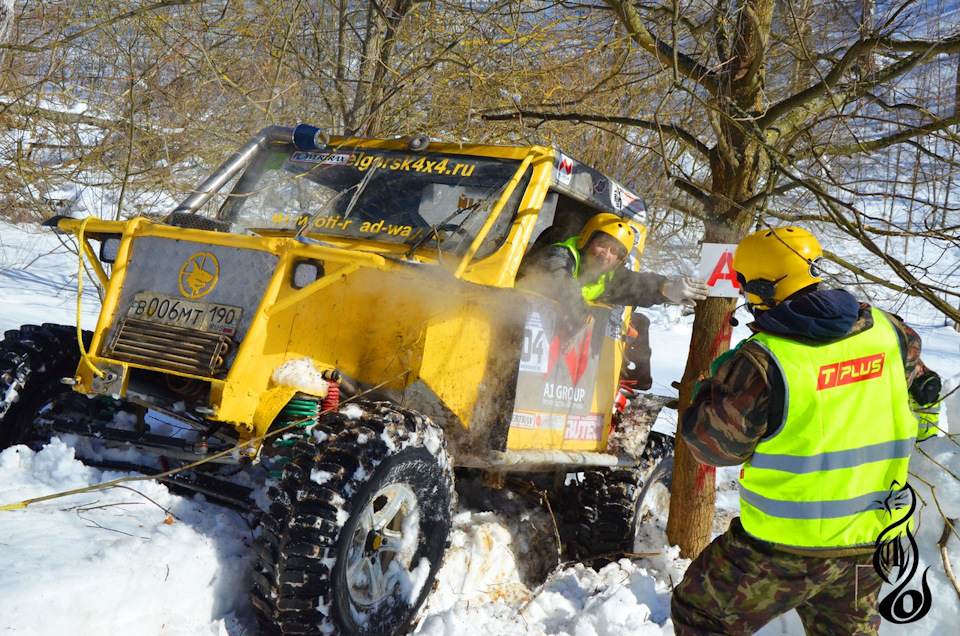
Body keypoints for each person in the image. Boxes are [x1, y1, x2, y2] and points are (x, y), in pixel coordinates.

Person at [671, 226, 942, 635]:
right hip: (871, 544)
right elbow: (925, 387)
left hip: (780, 551)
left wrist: (709, 391)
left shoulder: (763, 362)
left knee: (700, 613)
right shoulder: (891, 333)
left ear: (760, 288)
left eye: (746, 288)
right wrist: (922, 440)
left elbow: (714, 451)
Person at [518, 212, 709, 389]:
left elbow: (637, 284)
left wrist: (666, 288)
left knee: (639, 322)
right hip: (513, 326)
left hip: (547, 354)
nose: (606, 254)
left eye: (614, 251)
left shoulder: (607, 276)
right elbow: (562, 281)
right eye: (602, 243)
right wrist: (583, 320)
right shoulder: (561, 254)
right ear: (586, 239)